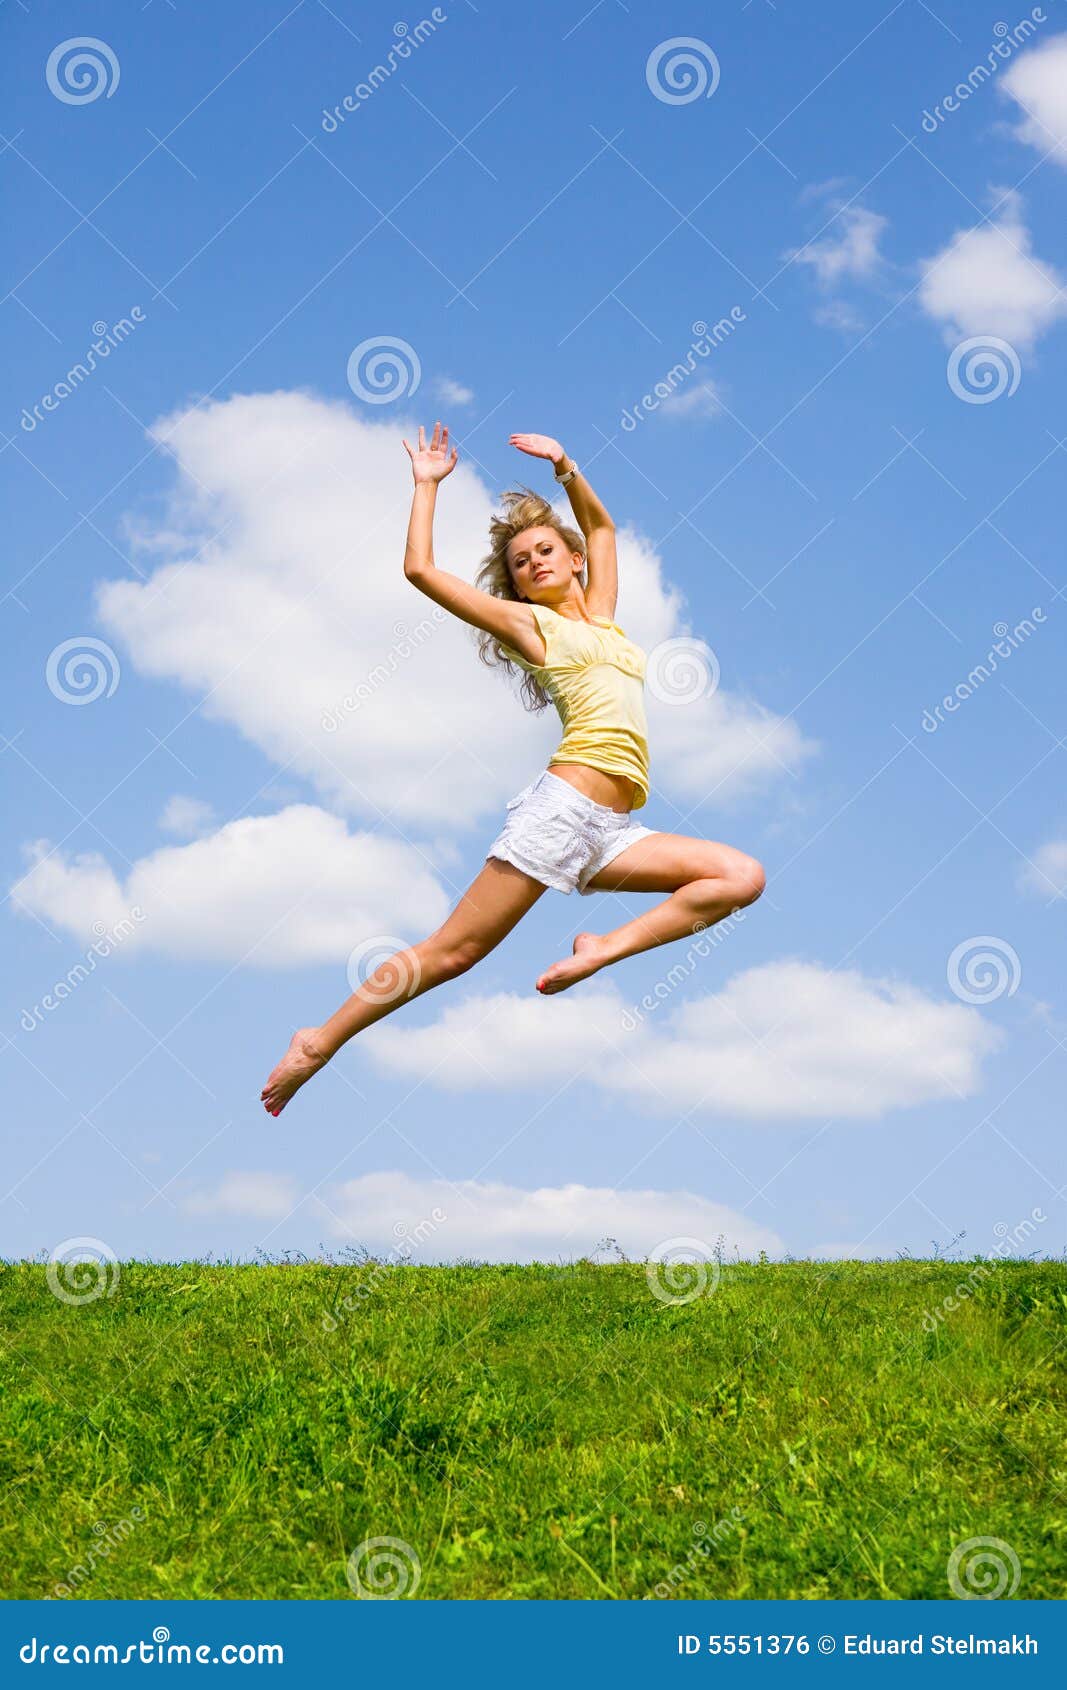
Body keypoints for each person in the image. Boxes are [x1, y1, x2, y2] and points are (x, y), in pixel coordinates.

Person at [260, 422, 764, 1115]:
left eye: (545, 550)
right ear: (518, 588)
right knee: (453, 953)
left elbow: (606, 529)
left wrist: (565, 464)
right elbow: (419, 572)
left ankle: (599, 949)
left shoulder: (607, 623)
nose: (532, 563)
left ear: (573, 558)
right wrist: (426, 486)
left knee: (740, 877)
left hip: (614, 830)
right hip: (562, 812)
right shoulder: (533, 628)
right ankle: (320, 1040)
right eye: (521, 562)